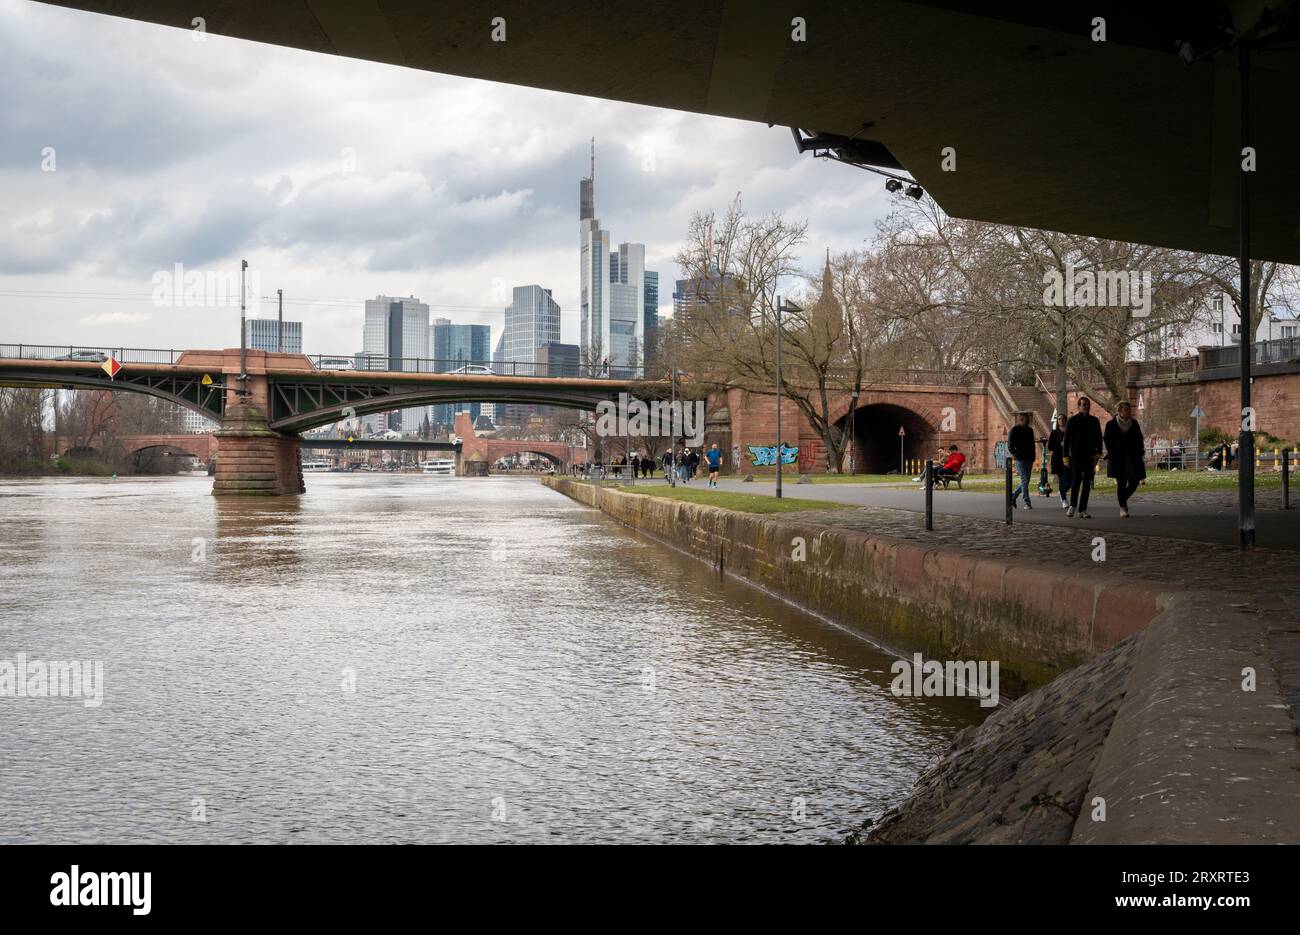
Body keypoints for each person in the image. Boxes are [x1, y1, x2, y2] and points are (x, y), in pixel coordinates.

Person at [1103, 400, 1146, 517]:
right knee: (1121, 482)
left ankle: (1123, 499)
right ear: (1120, 411)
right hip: (1118, 458)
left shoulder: (1134, 424)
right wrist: (1114, 450)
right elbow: (1108, 440)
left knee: (1134, 482)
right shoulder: (1111, 424)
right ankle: (1123, 507)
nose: (1129, 412)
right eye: (1126, 409)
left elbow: (1139, 438)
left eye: (1129, 409)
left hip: (1132, 457)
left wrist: (1140, 451)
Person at [1063, 395, 1103, 518]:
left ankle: (1083, 509)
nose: (1086, 407)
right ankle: (1072, 505)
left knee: (1087, 482)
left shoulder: (1094, 421)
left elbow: (1098, 438)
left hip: (1090, 456)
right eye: (1083, 405)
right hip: (1076, 456)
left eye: (1087, 405)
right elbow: (1067, 439)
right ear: (1079, 406)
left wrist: (1098, 454)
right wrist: (1066, 457)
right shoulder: (1072, 420)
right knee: (1076, 481)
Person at [1007, 411, 1036, 509]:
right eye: (1027, 419)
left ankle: (1013, 496)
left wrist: (1033, 456)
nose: (1029, 421)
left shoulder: (1030, 430)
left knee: (1026, 481)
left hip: (1029, 458)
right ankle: (1027, 501)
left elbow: (1032, 444)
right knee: (1024, 479)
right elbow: (1010, 446)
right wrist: (1016, 455)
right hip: (1020, 459)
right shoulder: (1014, 430)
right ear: (1022, 419)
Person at [1046, 413, 1070, 508]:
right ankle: (1064, 500)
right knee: (1063, 479)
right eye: (1059, 419)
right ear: (1057, 421)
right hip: (1058, 459)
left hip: (1069, 458)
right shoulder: (1054, 432)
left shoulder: (1070, 431)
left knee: (1071, 480)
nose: (1061, 420)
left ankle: (1061, 491)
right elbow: (1050, 447)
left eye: (1063, 418)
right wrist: (1060, 444)